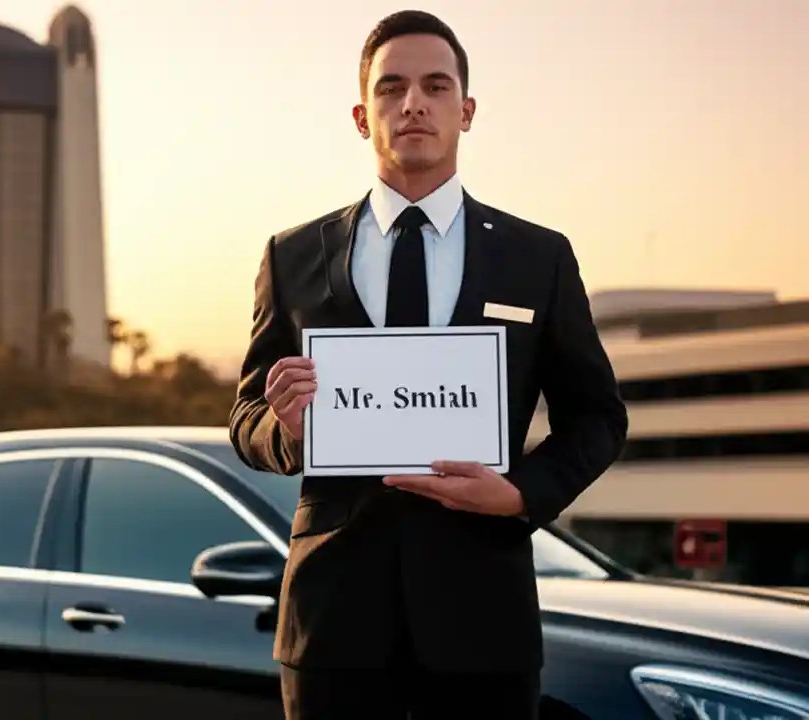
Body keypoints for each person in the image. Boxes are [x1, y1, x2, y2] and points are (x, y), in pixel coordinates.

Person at [228, 9, 629, 720]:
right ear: (362, 116)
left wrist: (518, 494)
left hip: (484, 622)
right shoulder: (291, 256)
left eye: (435, 86)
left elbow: (597, 417)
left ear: (466, 111)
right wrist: (284, 428)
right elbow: (247, 419)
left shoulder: (539, 258)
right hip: (332, 627)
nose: (413, 103)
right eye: (392, 88)